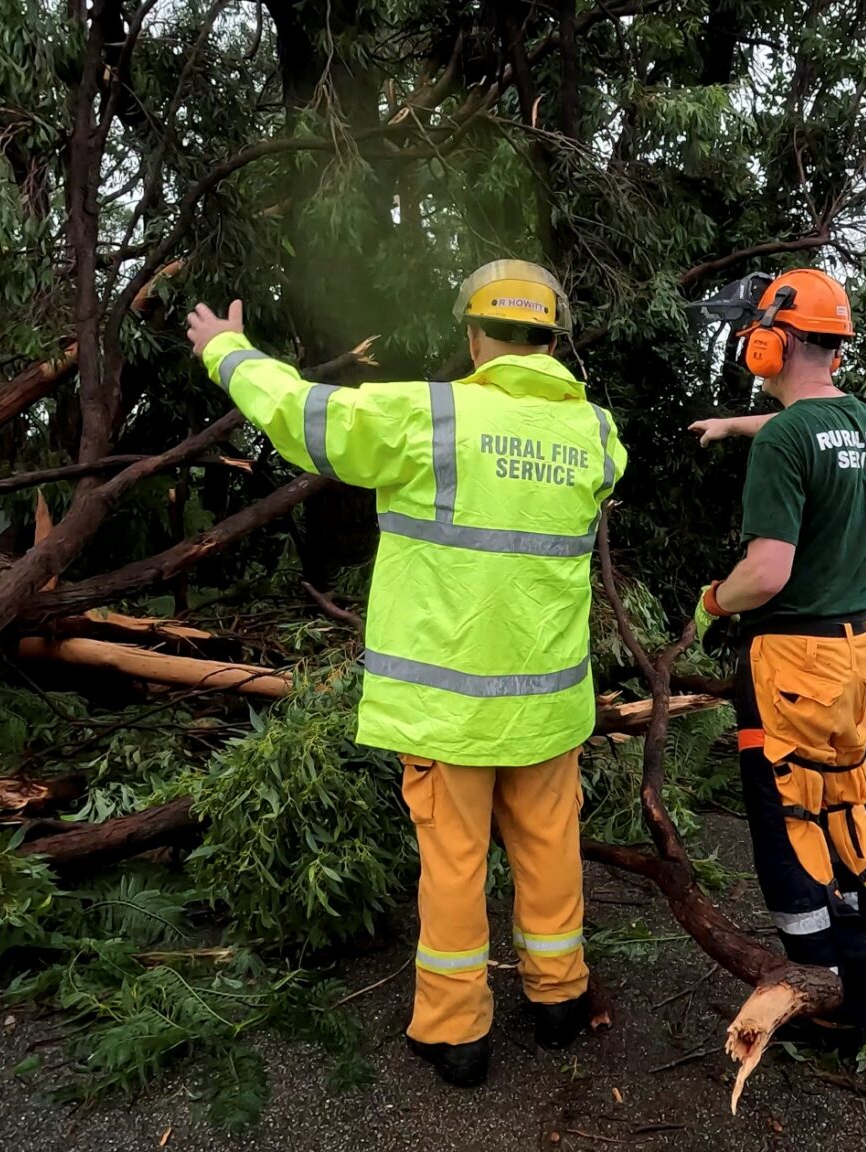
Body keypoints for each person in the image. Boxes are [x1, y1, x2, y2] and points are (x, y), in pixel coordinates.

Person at [184, 260, 626, 1088]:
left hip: (447, 710)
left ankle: (459, 1035)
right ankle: (560, 998)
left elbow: (303, 415)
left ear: (474, 333)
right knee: (551, 848)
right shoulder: (597, 435)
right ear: (551, 338)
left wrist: (228, 351)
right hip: (548, 705)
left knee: (455, 865)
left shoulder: (434, 417)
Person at [686, 268, 866, 1043]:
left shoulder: (788, 439)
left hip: (790, 662)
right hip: (852, 653)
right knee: (842, 806)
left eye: (755, 329)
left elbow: (768, 573)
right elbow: (806, 429)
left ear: (771, 340)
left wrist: (714, 600)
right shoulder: (860, 419)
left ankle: (835, 1003)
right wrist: (733, 423)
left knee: (787, 832)